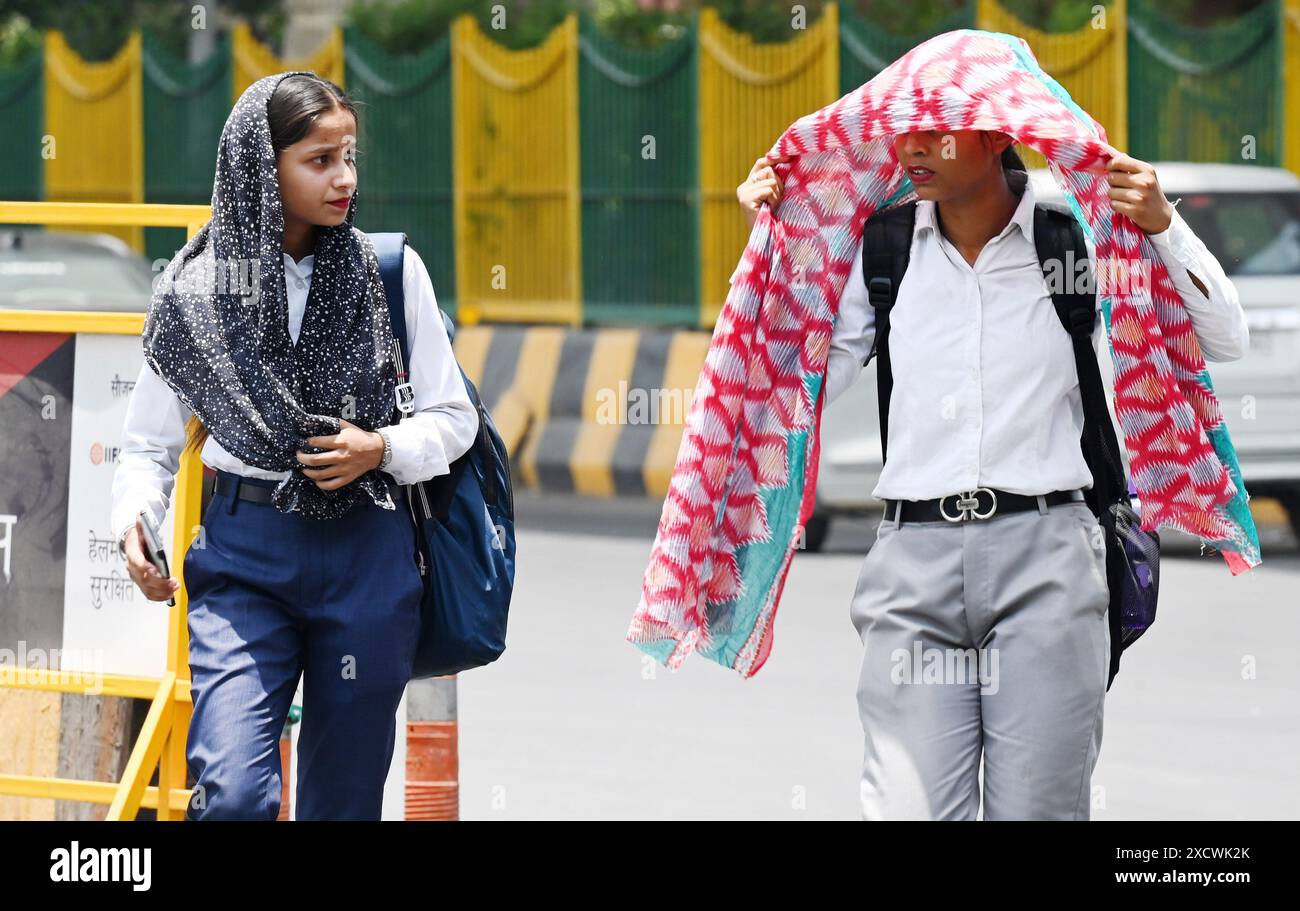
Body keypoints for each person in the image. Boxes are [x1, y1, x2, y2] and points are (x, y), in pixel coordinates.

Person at [737, 130, 1249, 820]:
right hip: (911, 569)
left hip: (1047, 560)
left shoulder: (1073, 243)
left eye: (933, 133)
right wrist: (769, 249)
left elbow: (1223, 337)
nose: (911, 149)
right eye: (905, 133)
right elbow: (794, 382)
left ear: (993, 133)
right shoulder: (883, 249)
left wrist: (1164, 226)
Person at [111, 71, 478, 820]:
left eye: (350, 156)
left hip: (366, 555)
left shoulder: (391, 270)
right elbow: (147, 445)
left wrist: (377, 447)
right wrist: (135, 523)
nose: (344, 177)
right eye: (319, 160)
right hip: (244, 559)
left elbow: (453, 417)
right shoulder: (195, 291)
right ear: (259, 166)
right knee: (236, 795)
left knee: (342, 805)